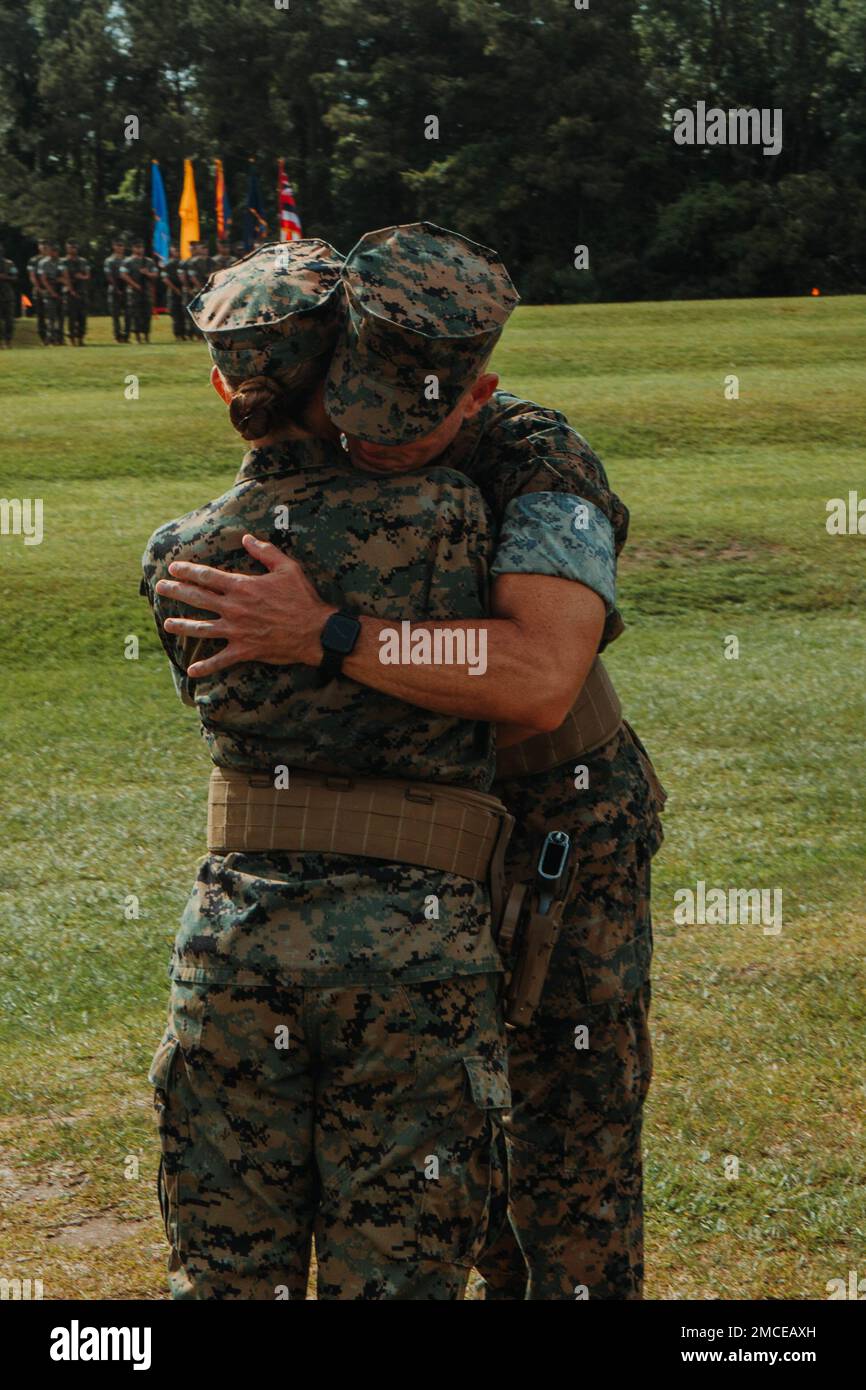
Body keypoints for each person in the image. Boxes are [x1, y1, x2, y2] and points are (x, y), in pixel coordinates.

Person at [161, 222, 666, 1300]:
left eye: (409, 431)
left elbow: (536, 677)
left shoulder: (536, 460)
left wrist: (330, 634)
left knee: (562, 1132)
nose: (376, 443)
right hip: (409, 848)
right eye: (359, 418)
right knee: (443, 1145)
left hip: (553, 823)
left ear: (473, 396)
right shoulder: (344, 413)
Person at [143, 238, 517, 1300]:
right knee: (395, 1273)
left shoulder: (179, 553)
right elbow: (500, 666)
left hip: (232, 939)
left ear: (225, 382)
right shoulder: (449, 516)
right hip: (413, 950)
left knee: (225, 1273)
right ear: (344, 365)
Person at [121, 239, 158, 343]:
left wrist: (147, 274)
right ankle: (137, 337)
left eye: (141, 247)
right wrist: (135, 285)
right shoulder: (128, 261)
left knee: (147, 314)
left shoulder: (149, 261)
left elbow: (155, 275)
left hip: (146, 291)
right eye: (137, 247)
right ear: (133, 248)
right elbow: (123, 275)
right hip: (133, 292)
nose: (139, 249)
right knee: (135, 314)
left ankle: (146, 335)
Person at [59, 239, 90, 346]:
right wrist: (70, 288)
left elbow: (87, 275)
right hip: (69, 292)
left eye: (75, 247)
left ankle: (81, 338)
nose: (73, 249)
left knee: (82, 316)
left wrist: (82, 277)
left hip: (82, 291)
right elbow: (62, 276)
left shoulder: (83, 261)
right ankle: (72, 338)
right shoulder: (62, 261)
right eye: (71, 247)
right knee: (71, 316)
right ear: (67, 248)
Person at [37, 242, 64, 345]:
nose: (54, 253)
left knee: (61, 316)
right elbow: (44, 280)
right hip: (49, 292)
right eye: (52, 250)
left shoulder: (61, 262)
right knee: (51, 316)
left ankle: (60, 338)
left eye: (56, 250)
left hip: (60, 291)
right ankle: (50, 337)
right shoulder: (43, 263)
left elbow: (65, 277)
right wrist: (52, 292)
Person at [104, 236, 130, 342]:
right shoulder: (109, 260)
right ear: (113, 246)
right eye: (118, 245)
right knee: (116, 315)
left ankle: (126, 335)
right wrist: (116, 289)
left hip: (127, 289)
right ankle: (117, 335)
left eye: (122, 245)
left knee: (128, 314)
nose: (120, 247)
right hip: (114, 289)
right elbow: (109, 276)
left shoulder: (127, 260)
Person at [161, 244, 188, 341]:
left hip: (183, 291)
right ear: (171, 252)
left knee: (184, 314)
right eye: (175, 250)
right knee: (176, 314)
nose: (177, 252)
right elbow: (165, 279)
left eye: (178, 250)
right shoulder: (168, 264)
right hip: (173, 292)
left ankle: (184, 334)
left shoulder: (183, 263)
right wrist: (176, 289)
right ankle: (178, 334)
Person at [27, 238, 48, 344]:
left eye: (46, 245)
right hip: (39, 290)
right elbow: (32, 276)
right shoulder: (34, 260)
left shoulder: (54, 259)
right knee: (41, 315)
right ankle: (43, 337)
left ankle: (56, 337)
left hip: (53, 289)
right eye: (42, 245)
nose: (44, 247)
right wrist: (39, 288)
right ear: (38, 247)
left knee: (56, 314)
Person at [0, 244, 17, 347]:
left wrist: (5, 277)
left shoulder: (10, 264)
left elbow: (15, 277)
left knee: (9, 320)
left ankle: (8, 341)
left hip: (8, 296)